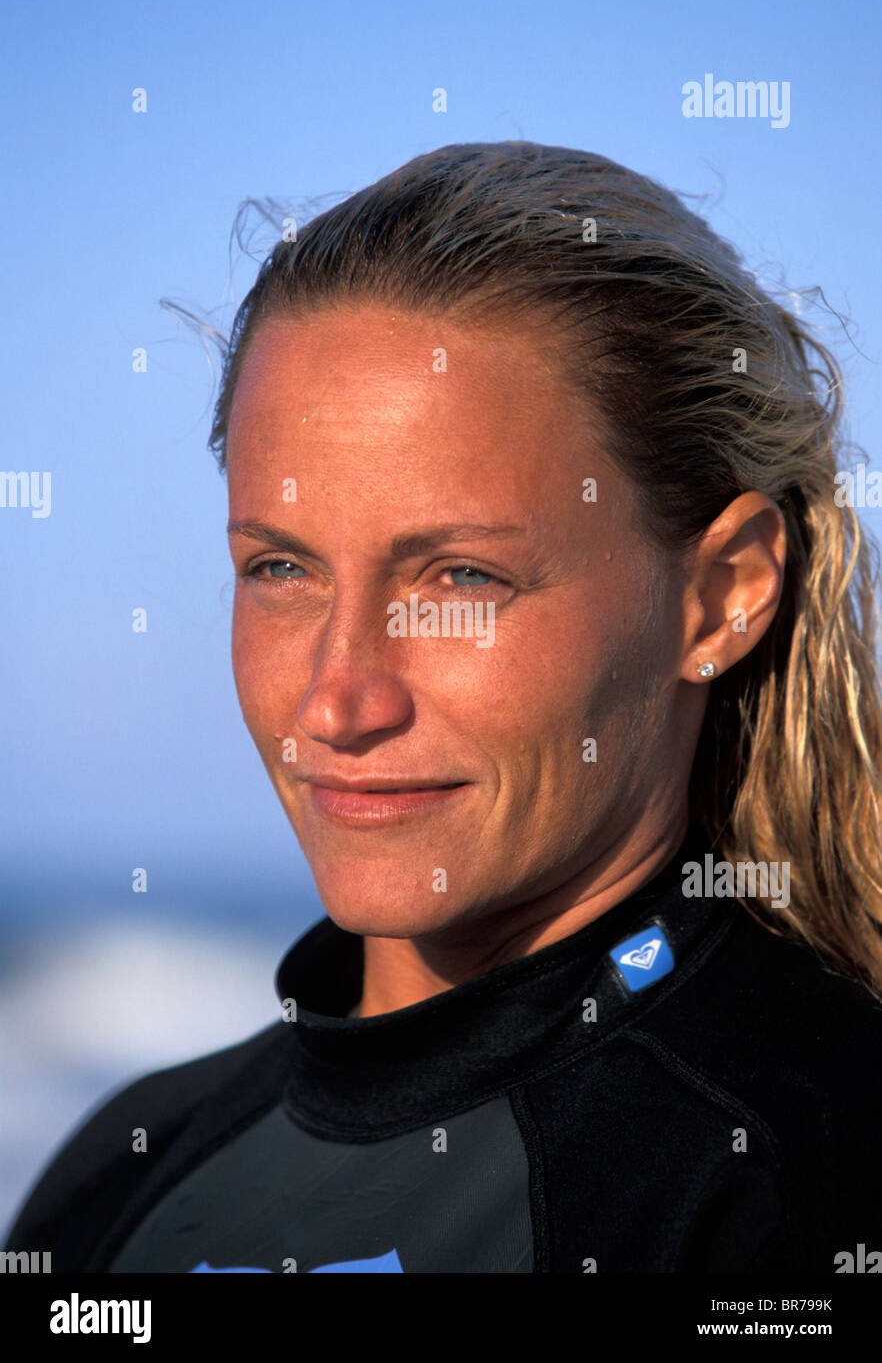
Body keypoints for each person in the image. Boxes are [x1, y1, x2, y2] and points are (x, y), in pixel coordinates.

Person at [6, 141, 882, 1274]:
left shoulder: (807, 1184)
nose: (337, 698)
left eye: (461, 579)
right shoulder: (123, 1172)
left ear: (720, 598)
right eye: (281, 569)